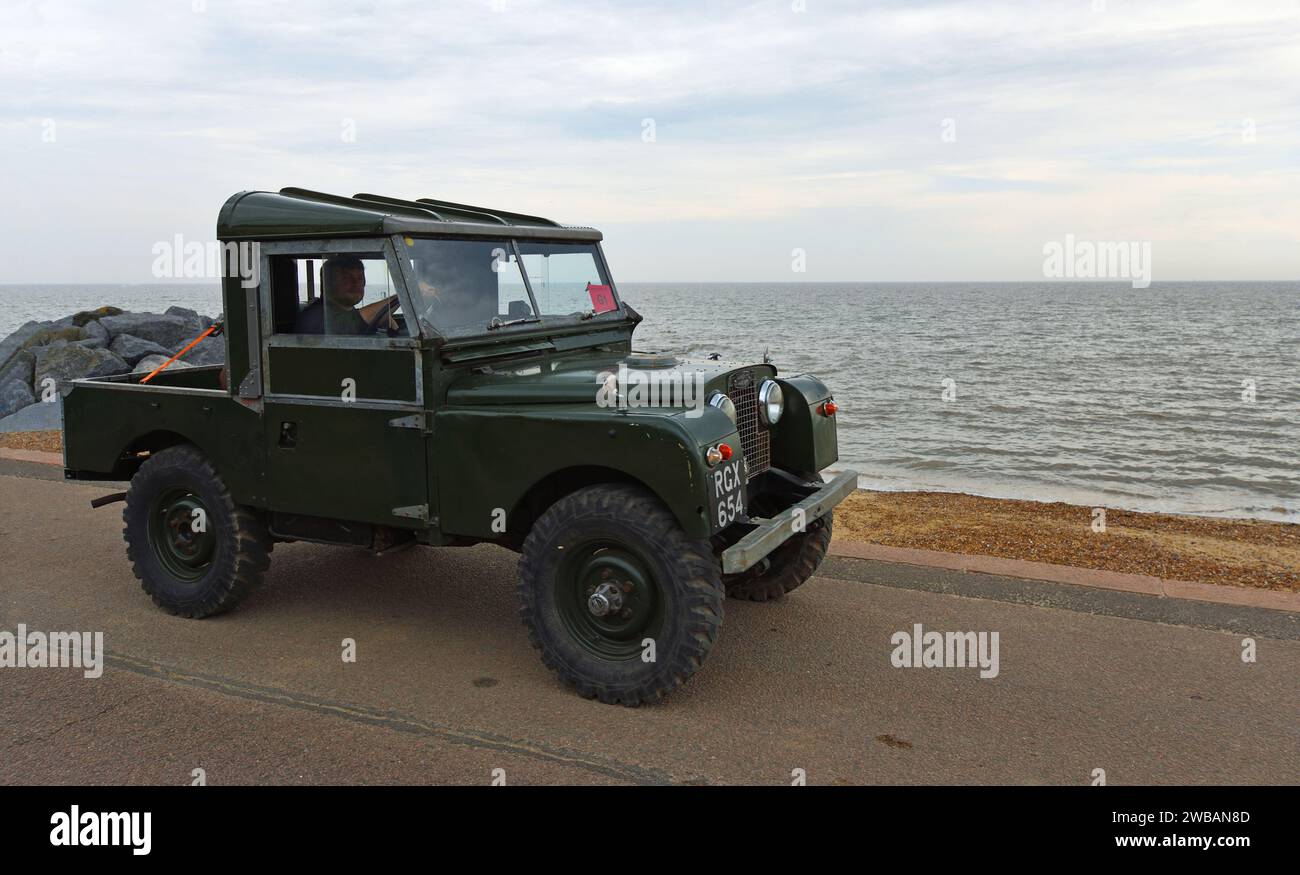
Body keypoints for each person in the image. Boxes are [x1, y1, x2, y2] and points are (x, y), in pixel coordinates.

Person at [295, 255, 400, 335]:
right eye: (346, 278)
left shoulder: (344, 311)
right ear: (327, 283)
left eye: (360, 278)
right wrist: (402, 298)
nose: (356, 283)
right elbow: (360, 319)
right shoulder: (317, 317)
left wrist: (384, 318)